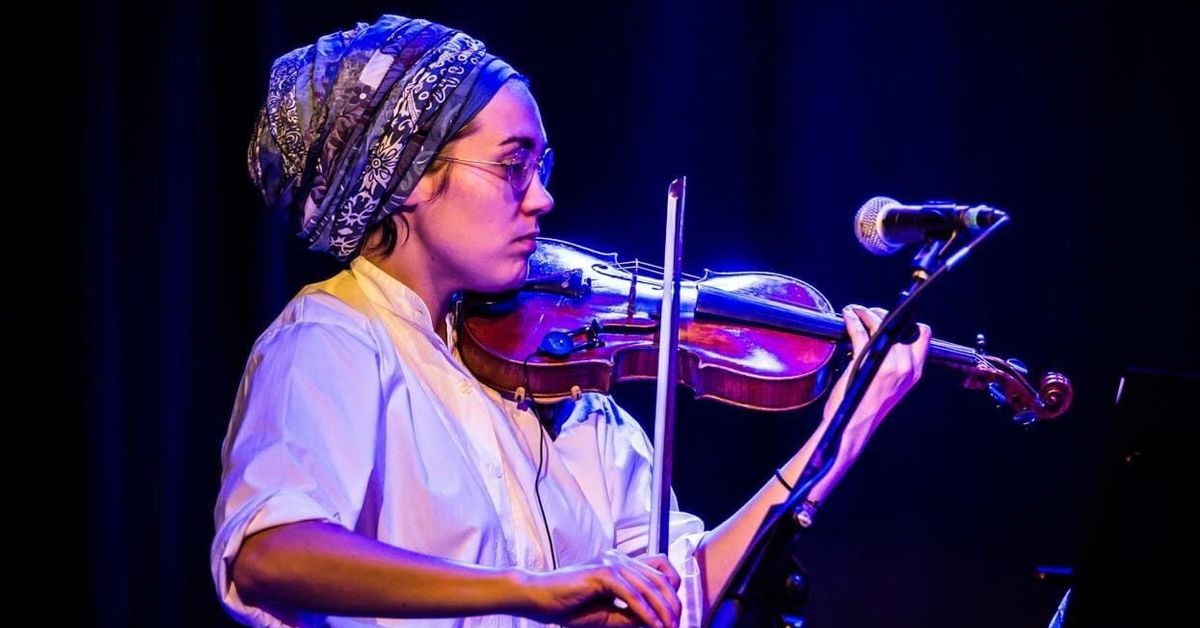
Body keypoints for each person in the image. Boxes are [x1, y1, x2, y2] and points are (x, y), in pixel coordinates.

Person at [212, 14, 932, 628]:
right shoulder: (334, 336)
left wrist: (837, 438)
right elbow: (273, 549)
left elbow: (685, 599)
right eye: (512, 166)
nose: (543, 199)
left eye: (542, 165)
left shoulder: (563, 384)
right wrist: (534, 592)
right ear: (405, 176)